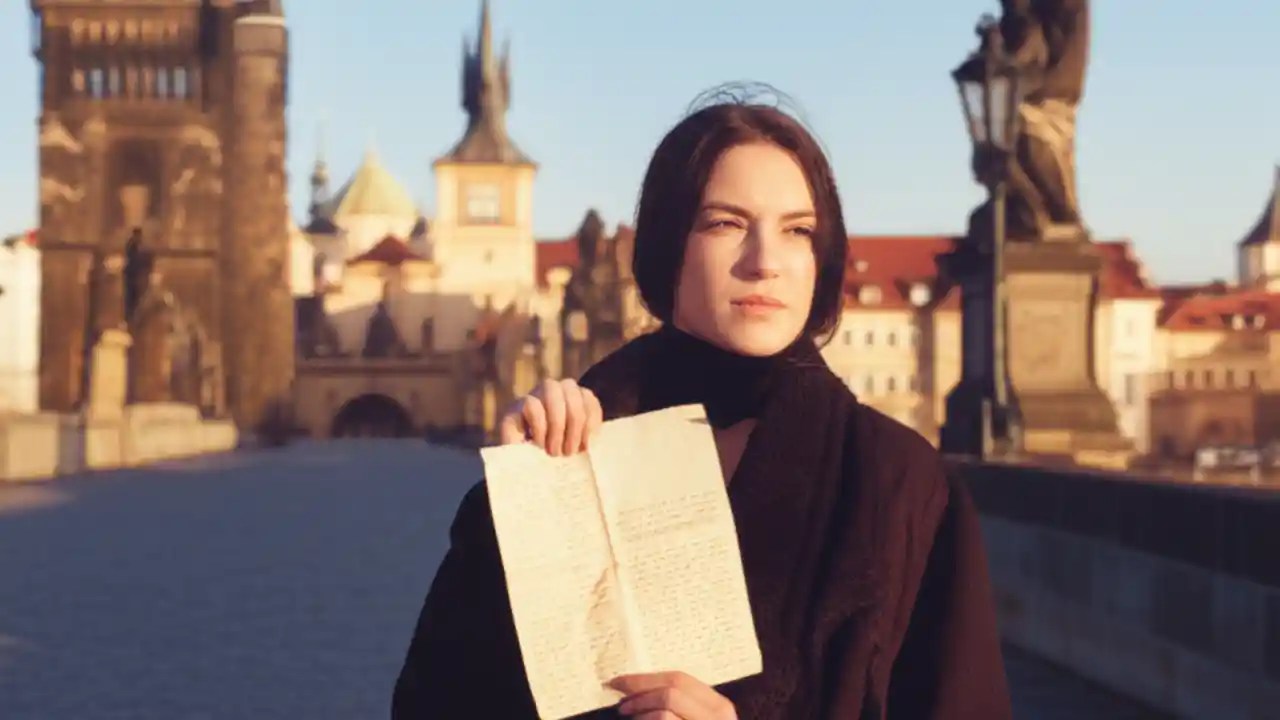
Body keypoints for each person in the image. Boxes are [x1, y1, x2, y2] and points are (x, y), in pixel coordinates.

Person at [392, 89, 1013, 719]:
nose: (765, 262)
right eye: (726, 223)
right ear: (668, 247)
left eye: (797, 231)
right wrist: (520, 510)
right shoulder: (573, 453)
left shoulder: (900, 481)